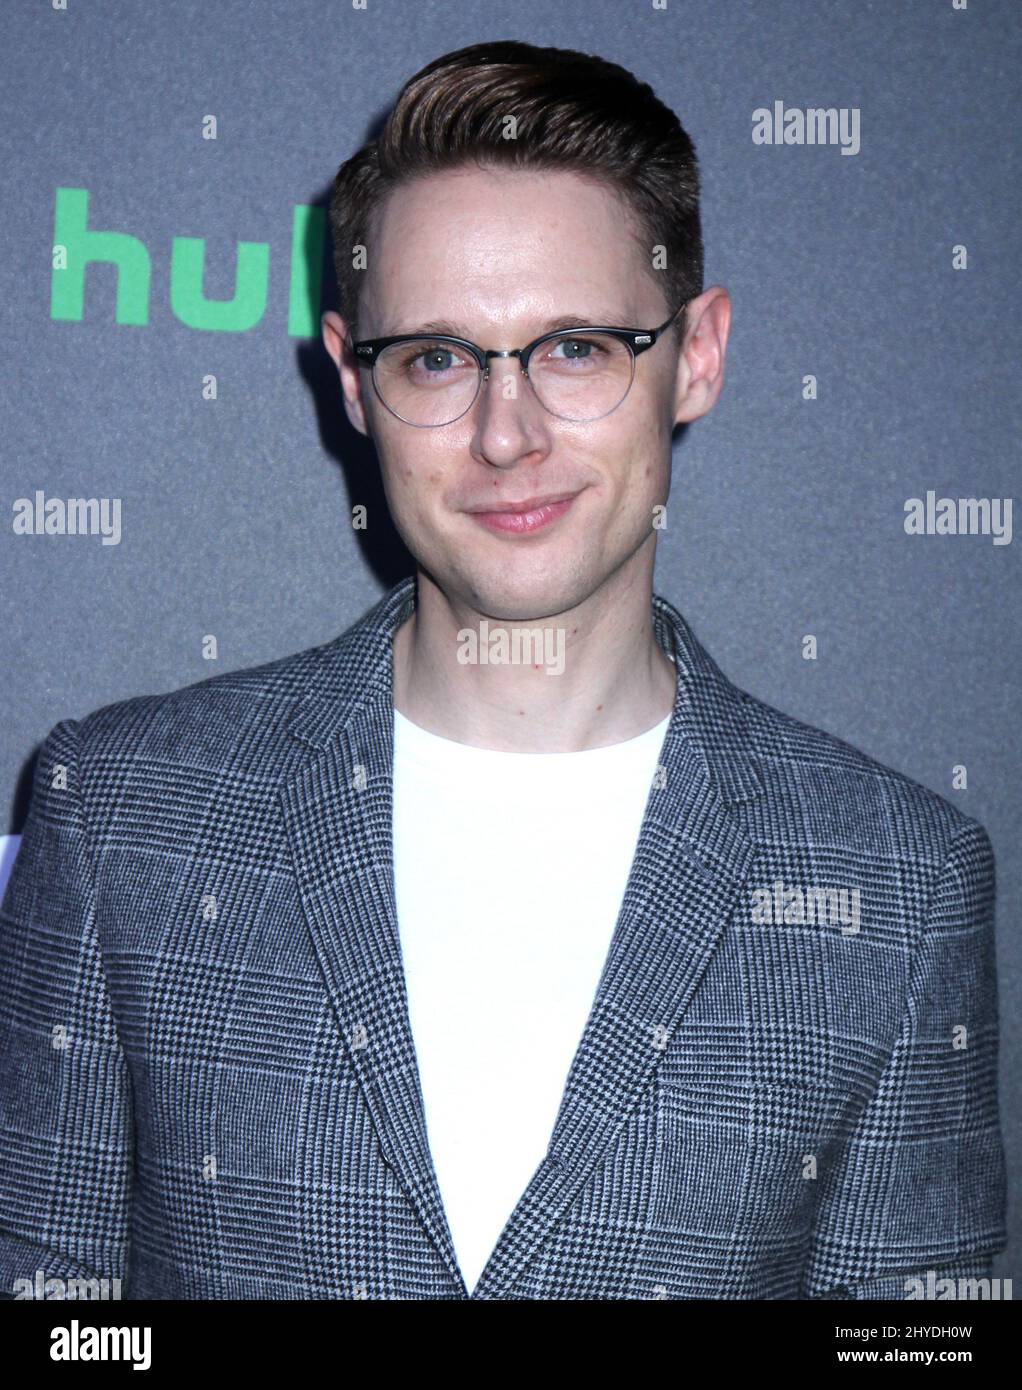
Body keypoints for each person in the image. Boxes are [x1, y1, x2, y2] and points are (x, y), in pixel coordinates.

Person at [0, 40, 1006, 1301]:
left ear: (694, 355)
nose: (504, 433)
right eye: (435, 358)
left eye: (575, 347)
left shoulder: (897, 884)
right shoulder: (120, 816)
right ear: (352, 386)